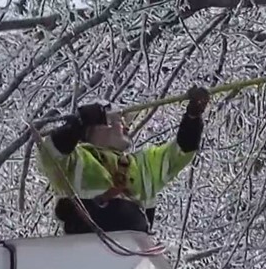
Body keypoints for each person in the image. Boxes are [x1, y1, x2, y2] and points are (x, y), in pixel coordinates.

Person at [36, 86, 210, 235]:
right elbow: (51, 154)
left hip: (132, 255)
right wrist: (76, 126)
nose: (127, 126)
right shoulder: (76, 160)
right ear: (98, 126)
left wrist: (192, 118)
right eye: (120, 121)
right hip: (86, 251)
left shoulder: (143, 166)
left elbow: (180, 152)